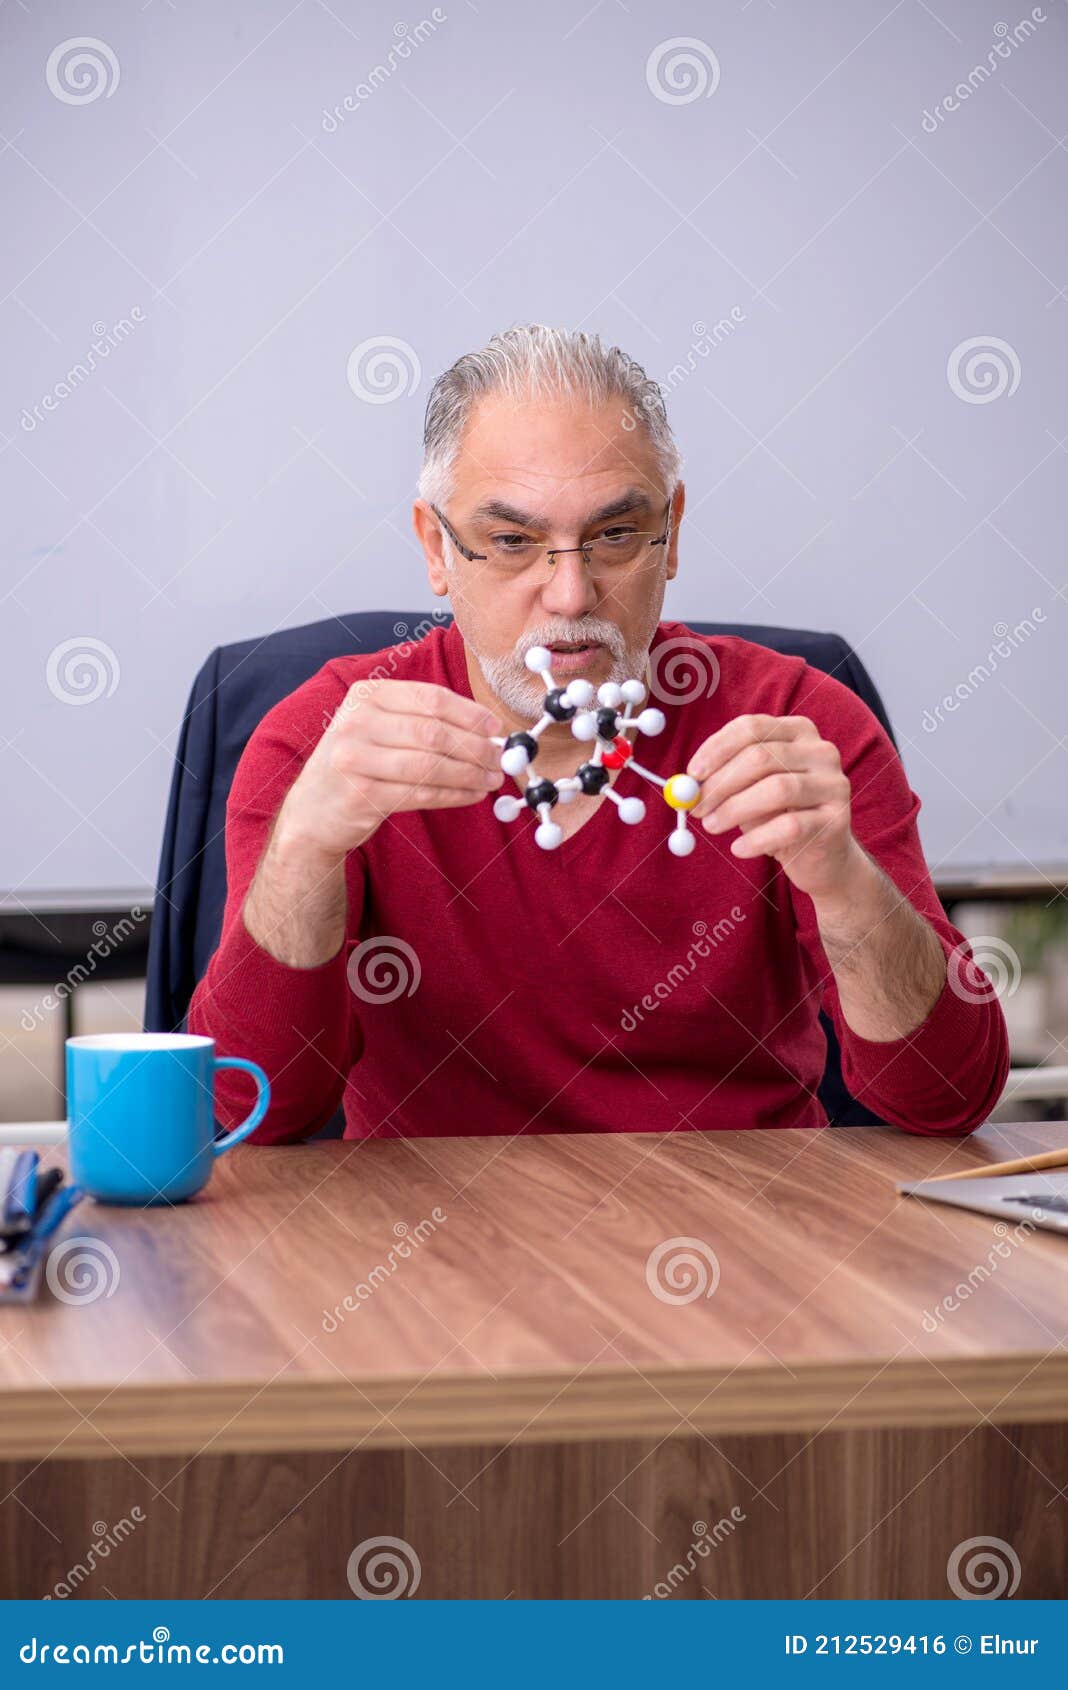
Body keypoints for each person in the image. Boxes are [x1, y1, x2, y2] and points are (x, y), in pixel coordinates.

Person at [187, 325, 1009, 1144]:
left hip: (751, 1232)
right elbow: (247, 1114)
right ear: (437, 547)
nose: (570, 595)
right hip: (432, 1243)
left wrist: (845, 881)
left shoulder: (797, 726)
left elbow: (946, 1099)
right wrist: (304, 848)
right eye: (513, 543)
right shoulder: (331, 741)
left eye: (615, 535)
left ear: (673, 532)